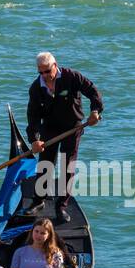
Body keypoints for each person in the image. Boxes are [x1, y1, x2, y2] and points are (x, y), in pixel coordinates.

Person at [26, 51, 103, 223]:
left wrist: (95, 111)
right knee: (45, 164)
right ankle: (39, 201)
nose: (45, 76)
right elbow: (33, 116)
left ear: (55, 65)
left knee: (67, 166)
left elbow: (93, 91)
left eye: (47, 71)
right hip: (50, 128)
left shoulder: (72, 77)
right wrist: (34, 139)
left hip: (72, 127)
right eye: (41, 72)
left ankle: (61, 205)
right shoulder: (36, 88)